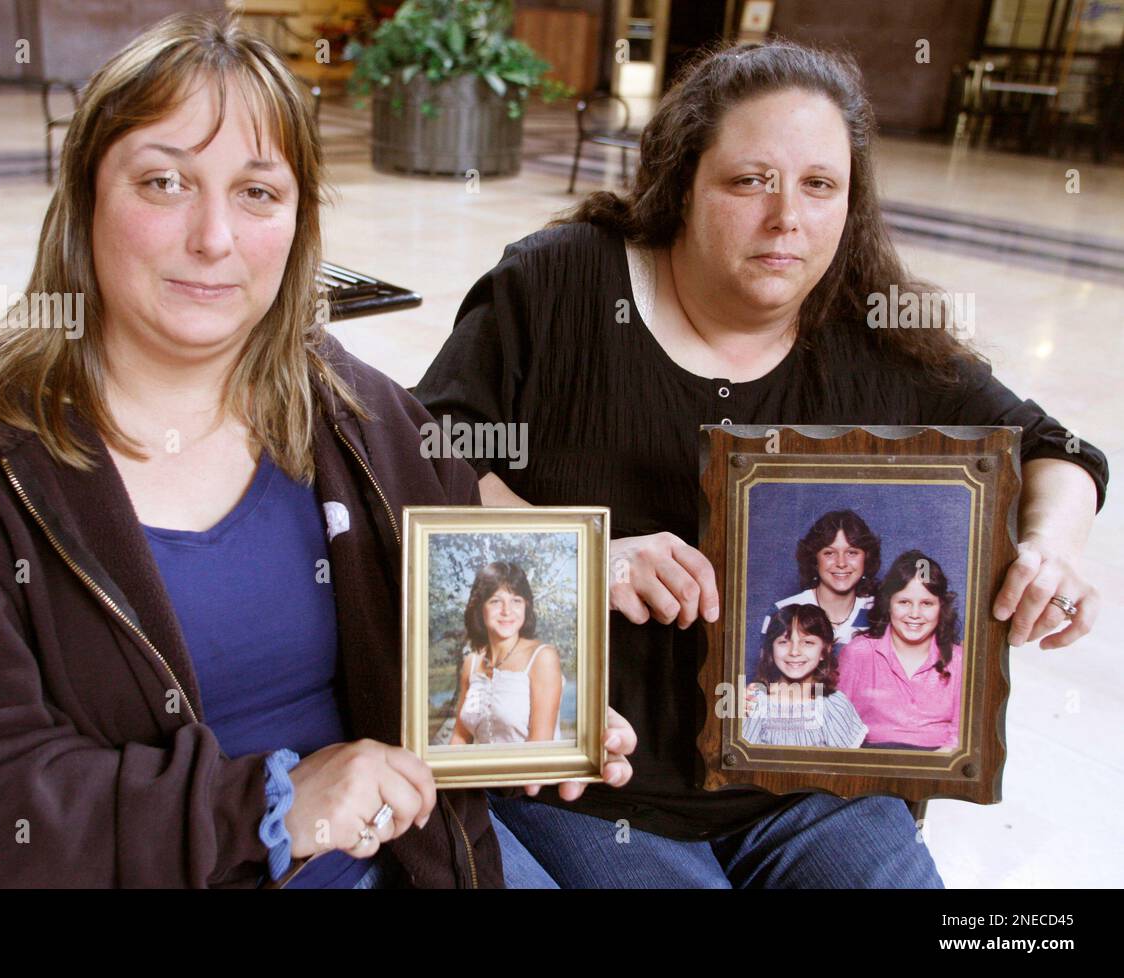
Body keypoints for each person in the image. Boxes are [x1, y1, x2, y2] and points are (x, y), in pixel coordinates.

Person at [0, 13, 638, 889]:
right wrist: (271, 806)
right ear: (85, 198)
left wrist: (535, 699)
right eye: (164, 182)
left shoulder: (343, 405)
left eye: (257, 192)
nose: (213, 237)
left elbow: (457, 532)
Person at [414, 39, 1108, 887]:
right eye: (750, 181)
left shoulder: (871, 329)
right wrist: (579, 555)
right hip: (595, 784)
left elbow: (1056, 449)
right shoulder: (559, 285)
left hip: (817, 783)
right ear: (681, 183)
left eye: (820, 186)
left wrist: (1049, 549)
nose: (788, 218)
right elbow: (424, 451)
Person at [839, 552, 964, 752]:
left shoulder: (959, 660)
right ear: (888, 604)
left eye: (926, 603)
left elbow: (961, 736)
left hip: (939, 765)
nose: (915, 614)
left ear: (941, 607)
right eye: (904, 602)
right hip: (870, 762)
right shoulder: (858, 653)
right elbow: (836, 724)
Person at [449, 562, 564, 745]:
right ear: (480, 608)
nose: (507, 611)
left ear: (526, 605)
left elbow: (540, 747)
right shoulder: (471, 663)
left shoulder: (542, 658)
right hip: (476, 773)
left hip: (530, 773)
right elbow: (460, 736)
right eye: (495, 601)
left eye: (516, 600)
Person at [758, 510, 879, 669]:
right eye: (829, 553)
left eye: (852, 552)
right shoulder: (783, 611)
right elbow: (769, 680)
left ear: (867, 558)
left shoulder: (879, 611)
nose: (841, 562)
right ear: (815, 559)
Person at [743, 604, 867, 748]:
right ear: (771, 650)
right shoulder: (754, 702)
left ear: (824, 651)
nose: (794, 652)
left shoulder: (834, 705)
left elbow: (846, 767)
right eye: (784, 642)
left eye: (807, 642)